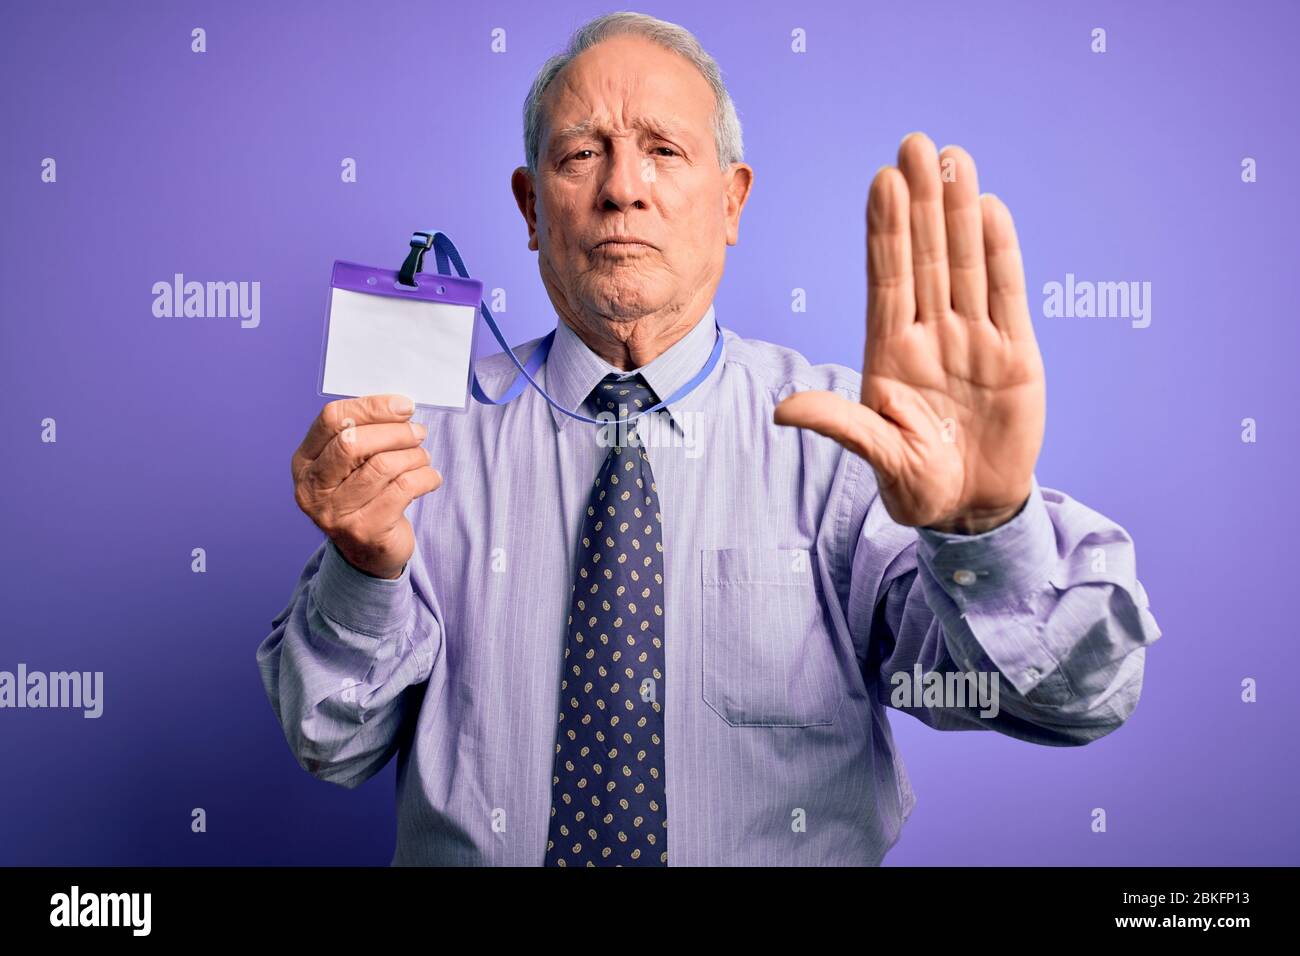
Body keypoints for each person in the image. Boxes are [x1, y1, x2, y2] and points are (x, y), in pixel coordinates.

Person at [257, 11, 1162, 866]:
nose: (622, 188)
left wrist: (985, 532)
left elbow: (1072, 700)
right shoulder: (417, 440)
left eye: (663, 151)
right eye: (582, 156)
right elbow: (329, 742)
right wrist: (363, 567)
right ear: (531, 208)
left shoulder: (859, 449)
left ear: (731, 202)